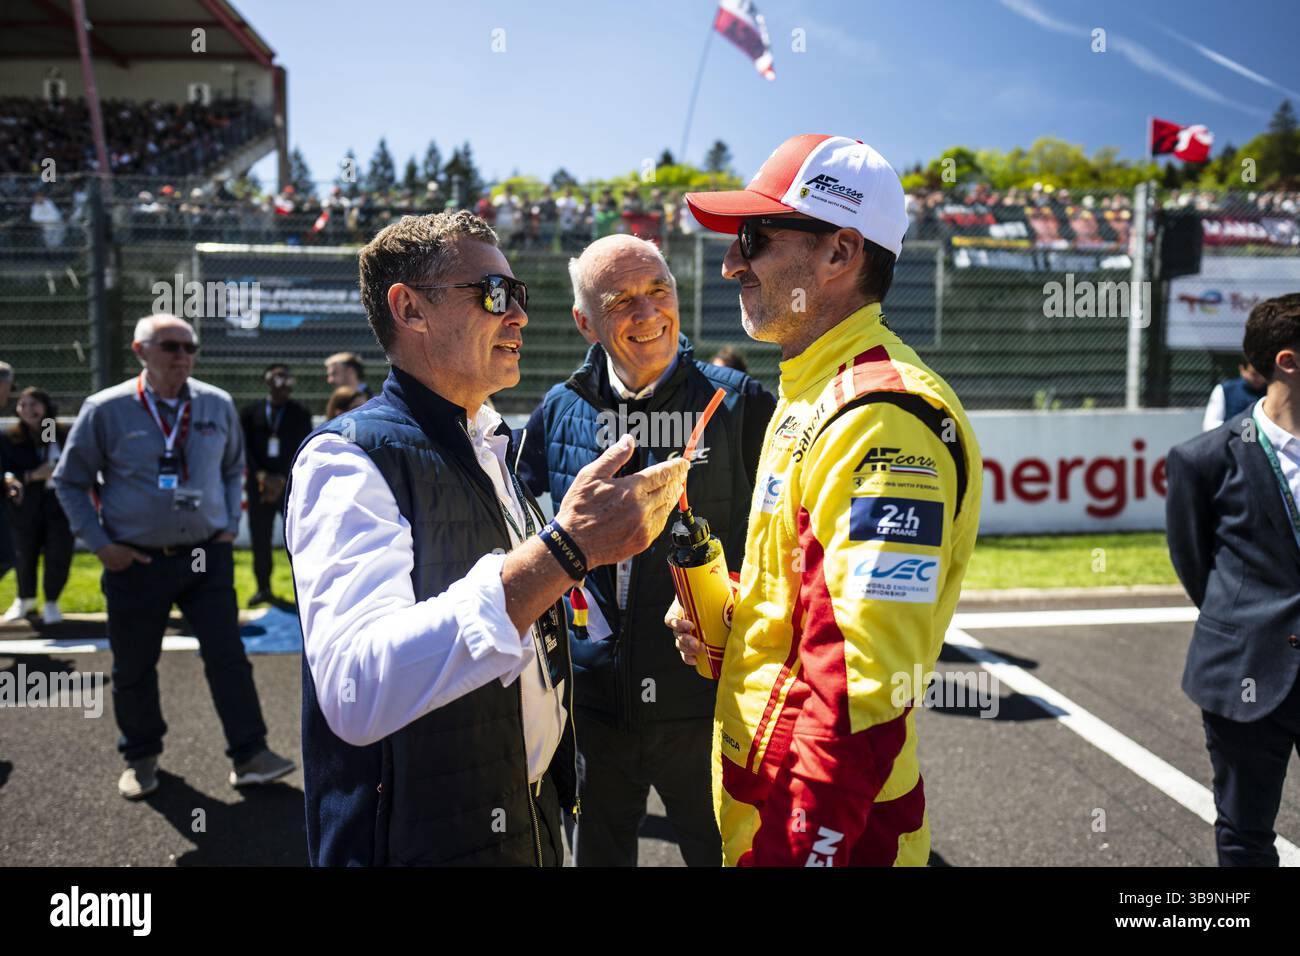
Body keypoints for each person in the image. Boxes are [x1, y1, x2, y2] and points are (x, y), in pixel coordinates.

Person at [284, 211, 689, 866]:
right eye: (495, 295)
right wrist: (565, 549)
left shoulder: (488, 443)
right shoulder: (348, 459)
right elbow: (356, 690)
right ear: (410, 309)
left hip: (523, 820)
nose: (519, 316)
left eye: (519, 295)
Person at [667, 133, 983, 866]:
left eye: (755, 237)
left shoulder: (878, 415)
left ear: (841, 254)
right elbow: (823, 608)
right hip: (767, 809)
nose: (730, 263)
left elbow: (856, 697)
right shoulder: (815, 388)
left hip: (821, 834)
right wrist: (741, 616)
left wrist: (807, 852)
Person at [516, 234, 775, 867]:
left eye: (658, 290)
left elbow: (790, 549)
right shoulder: (558, 411)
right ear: (585, 322)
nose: (646, 312)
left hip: (709, 711)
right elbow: (525, 534)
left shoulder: (742, 405)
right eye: (621, 299)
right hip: (594, 708)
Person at [53, 314, 295, 800]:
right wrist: (101, 545)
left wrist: (227, 525)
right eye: (170, 346)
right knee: (134, 665)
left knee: (228, 657)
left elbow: (233, 468)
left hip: (207, 558)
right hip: (136, 562)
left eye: (190, 347)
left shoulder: (216, 403)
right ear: (141, 351)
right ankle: (141, 757)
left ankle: (249, 755)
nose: (183, 355)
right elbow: (70, 481)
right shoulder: (106, 409)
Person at [1166, 293, 1300, 867]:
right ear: (1288, 361)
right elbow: (1199, 568)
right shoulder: (1204, 459)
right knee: (1245, 836)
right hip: (1245, 672)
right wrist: (1250, 622)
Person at [240, 364, 313, 606]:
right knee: (260, 538)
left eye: (286, 375)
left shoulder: (300, 413)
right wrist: (260, 475)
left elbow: (304, 446)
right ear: (266, 380)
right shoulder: (251, 413)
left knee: (297, 538)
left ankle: (304, 590)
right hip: (259, 486)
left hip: (289, 485)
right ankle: (263, 588)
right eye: (276, 375)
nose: (282, 381)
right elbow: (244, 447)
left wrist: (282, 477)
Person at [2, 387, 74, 624]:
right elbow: (8, 471)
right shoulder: (11, 437)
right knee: (24, 553)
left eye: (34, 404)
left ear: (45, 406)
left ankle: (52, 601)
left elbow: (57, 457)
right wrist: (32, 475)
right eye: (23, 405)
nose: (29, 410)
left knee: (58, 553)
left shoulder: (60, 432)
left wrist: (47, 429)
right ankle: (25, 599)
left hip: (59, 503)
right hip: (26, 505)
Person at [1202, 359, 1267, 431]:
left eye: (1263, 374)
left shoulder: (1271, 391)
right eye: (1254, 374)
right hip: (1231, 439)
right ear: (1242, 369)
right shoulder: (1225, 389)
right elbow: (1210, 425)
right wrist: (1239, 429)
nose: (1260, 378)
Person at [0, 362, 18, 587]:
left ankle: (45, 601)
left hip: (42, 493)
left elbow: (49, 444)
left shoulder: (47, 422)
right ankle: (24, 600)